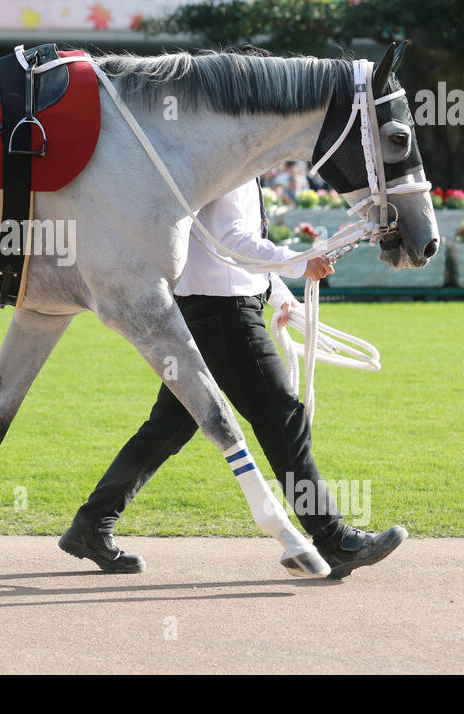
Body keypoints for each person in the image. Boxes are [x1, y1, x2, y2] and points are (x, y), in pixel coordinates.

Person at [60, 179, 408, 578]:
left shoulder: (225, 154)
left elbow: (229, 240)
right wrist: (298, 261)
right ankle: (333, 539)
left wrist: (278, 293)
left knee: (167, 429)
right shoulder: (236, 162)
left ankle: (92, 523)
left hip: (203, 307)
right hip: (226, 315)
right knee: (282, 419)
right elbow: (231, 238)